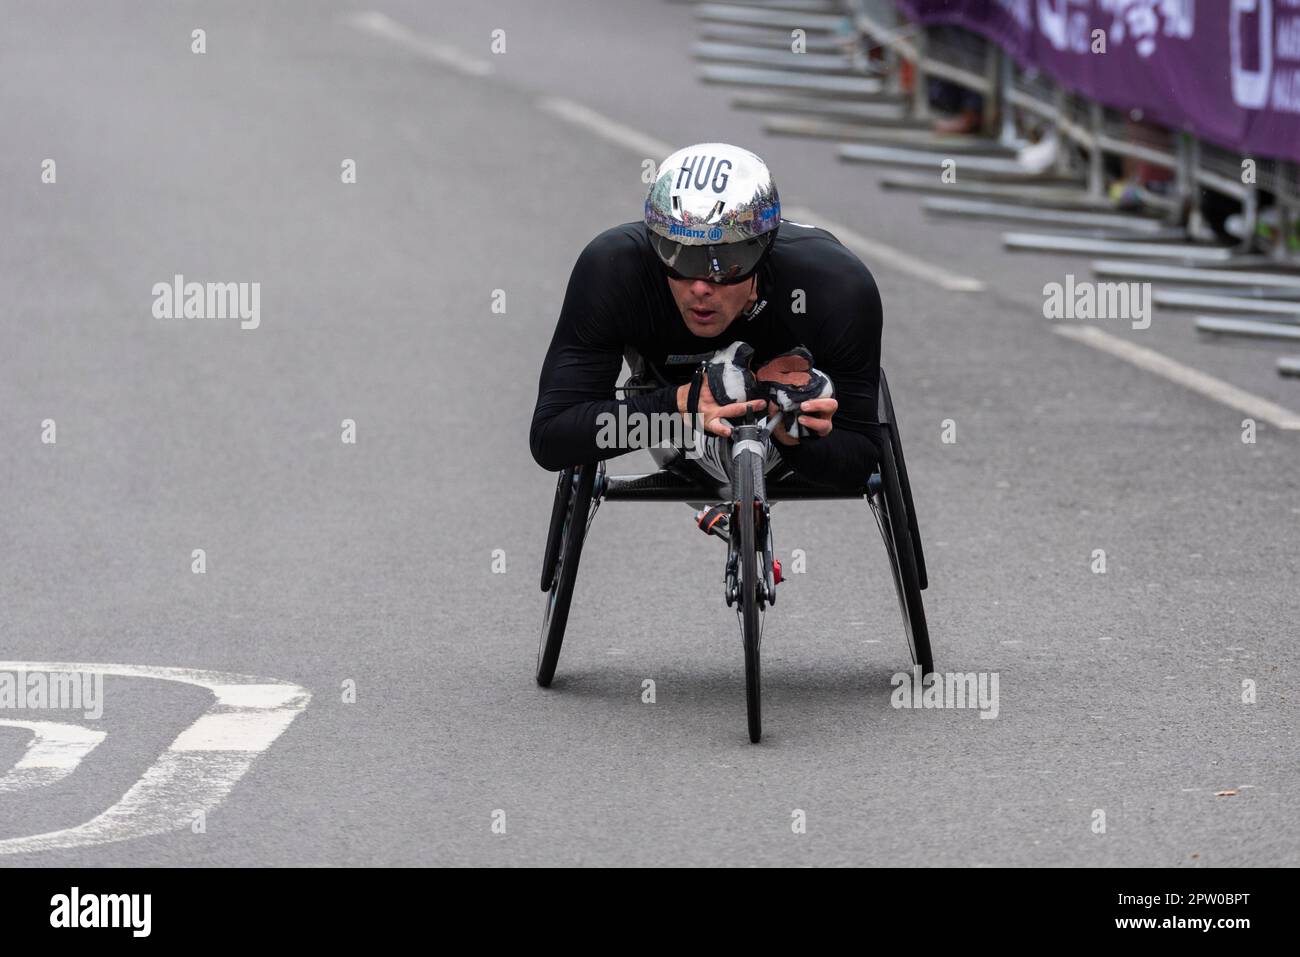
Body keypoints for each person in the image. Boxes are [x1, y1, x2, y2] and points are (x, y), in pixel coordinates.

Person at [529, 142, 884, 493]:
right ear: (656, 244)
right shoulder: (615, 268)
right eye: (680, 258)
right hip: (672, 408)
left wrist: (796, 435)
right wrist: (679, 405)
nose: (700, 287)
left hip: (779, 429)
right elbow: (552, 437)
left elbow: (859, 460)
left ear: (762, 251)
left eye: (725, 264)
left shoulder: (836, 285)